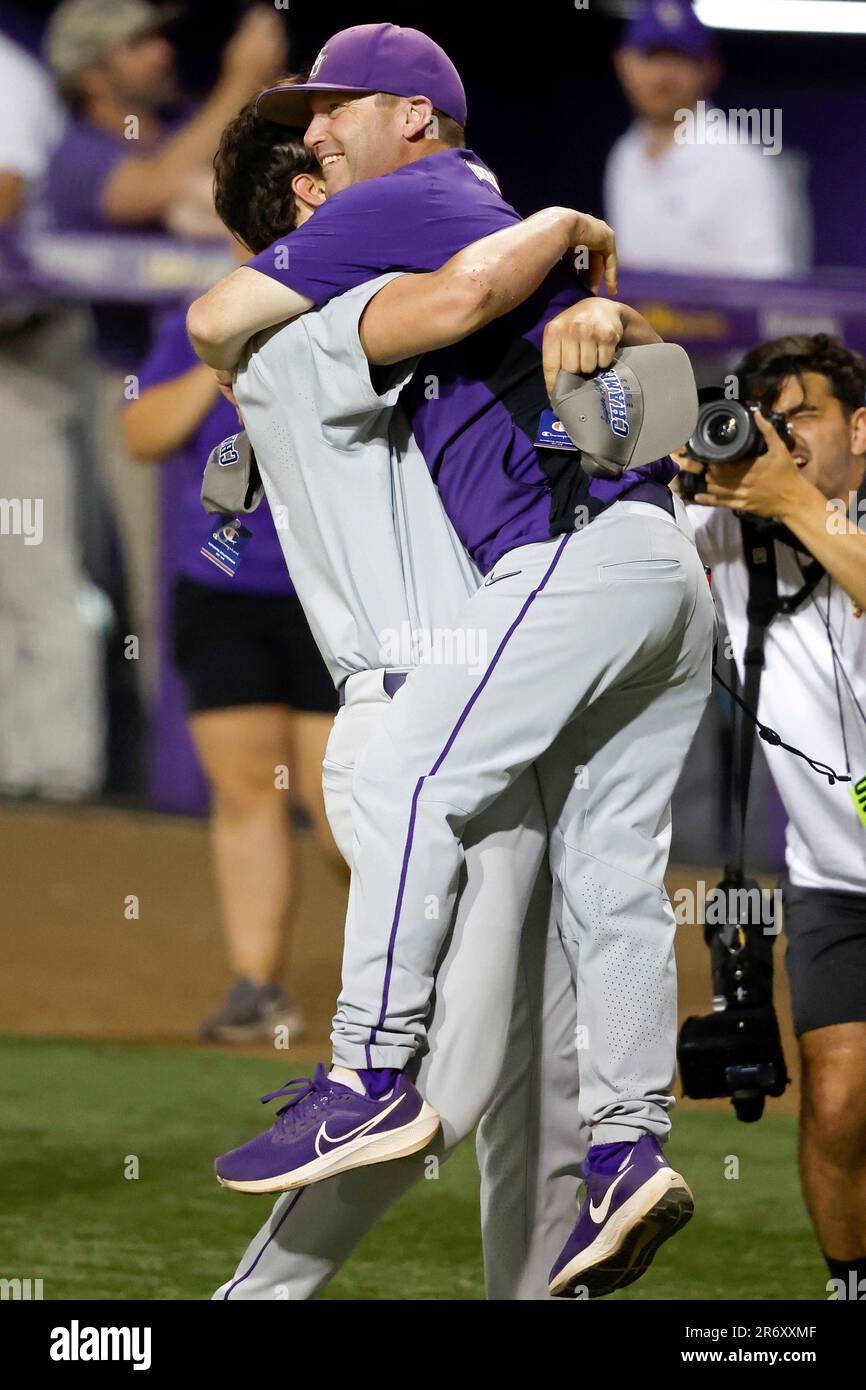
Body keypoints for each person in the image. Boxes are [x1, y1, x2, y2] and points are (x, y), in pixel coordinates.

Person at [188, 23, 716, 1298]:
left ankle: (609, 1163)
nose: (321, 148)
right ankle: (284, 1244)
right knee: (462, 1075)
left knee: (540, 1062)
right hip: (440, 707)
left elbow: (602, 368)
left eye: (334, 120)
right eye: (306, 158)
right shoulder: (320, 329)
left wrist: (589, 304)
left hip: (519, 675)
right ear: (302, 222)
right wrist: (567, 233)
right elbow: (452, 297)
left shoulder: (391, 281)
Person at [122, 160, 340, 1039]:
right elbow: (140, 431)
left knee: (340, 812)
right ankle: (256, 988)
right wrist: (225, 362)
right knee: (246, 791)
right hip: (221, 587)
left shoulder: (344, 307)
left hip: (333, 594)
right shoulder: (207, 314)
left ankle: (419, 976)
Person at [676, 334, 866, 1297]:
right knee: (835, 1107)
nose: (784, 438)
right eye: (768, 419)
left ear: (861, 426)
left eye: (806, 417)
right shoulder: (724, 529)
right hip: (840, 885)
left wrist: (801, 503)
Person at [39, 0, 287, 699]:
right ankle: (173, 776)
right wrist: (239, 81)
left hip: (239, 380)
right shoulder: (80, 154)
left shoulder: (181, 129)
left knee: (249, 559)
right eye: (137, 43)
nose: (161, 52)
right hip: (134, 386)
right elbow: (146, 193)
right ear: (92, 72)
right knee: (164, 575)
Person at [0, 26, 104, 800]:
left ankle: (63, 772)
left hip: (23, 345)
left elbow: (5, 195)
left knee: (36, 564)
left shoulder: (8, 75)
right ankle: (17, 765)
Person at [604, 0, 811, 278]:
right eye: (650, 55)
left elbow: (767, 296)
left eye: (678, 57)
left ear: (709, 70)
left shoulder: (742, 165)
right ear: (623, 63)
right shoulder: (624, 156)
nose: (662, 75)